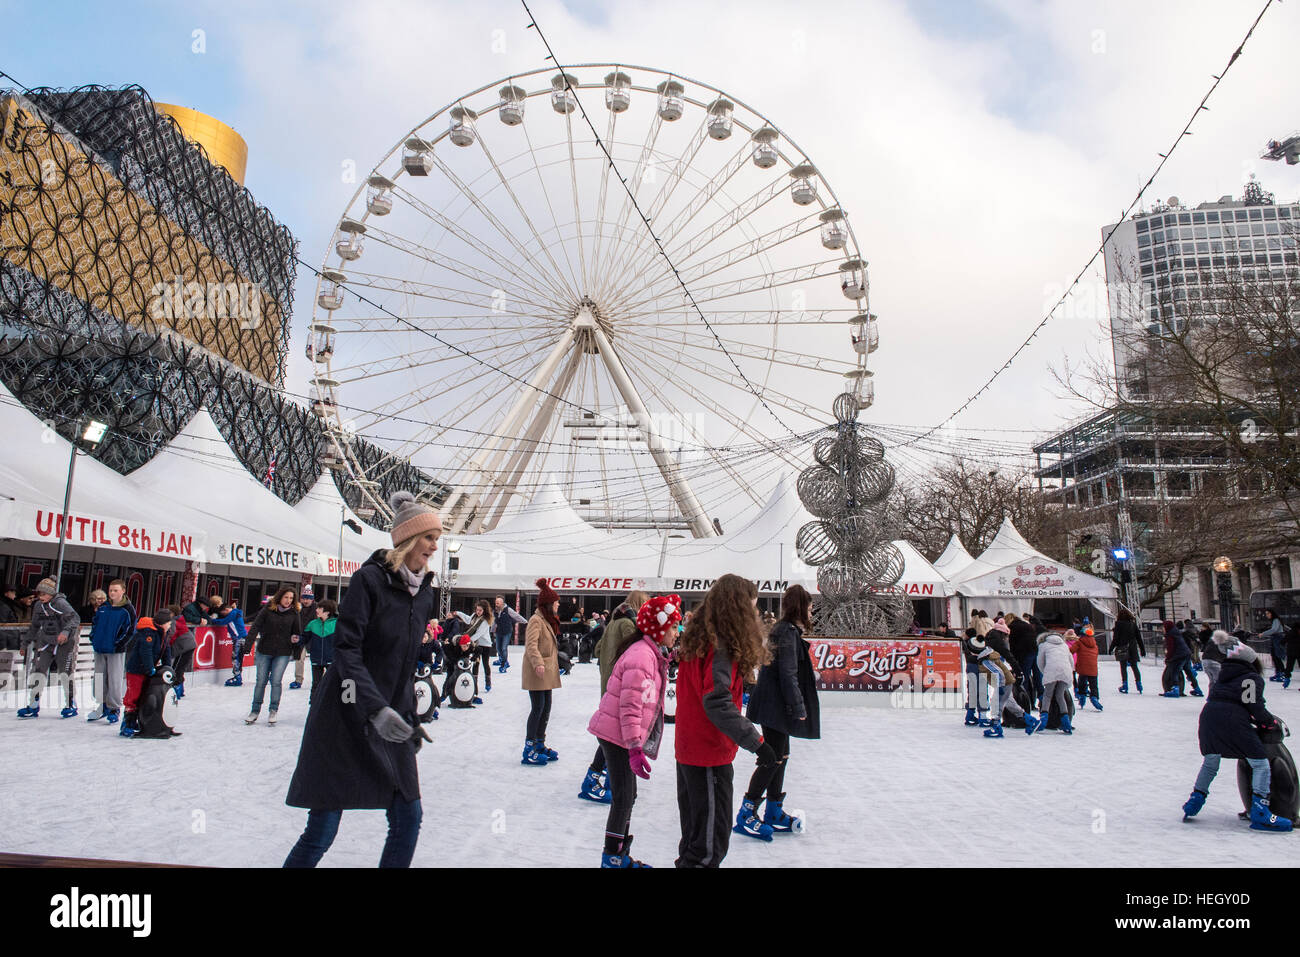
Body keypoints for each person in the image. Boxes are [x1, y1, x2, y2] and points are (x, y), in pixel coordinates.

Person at [284, 490, 440, 867]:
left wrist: (408, 717)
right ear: (406, 539)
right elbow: (347, 651)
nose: (435, 547)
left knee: (408, 817)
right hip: (346, 714)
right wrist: (375, 709)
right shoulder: (369, 581)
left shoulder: (424, 593)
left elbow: (401, 665)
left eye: (437, 538)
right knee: (322, 829)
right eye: (429, 538)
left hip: (392, 715)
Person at [673, 574, 771, 868]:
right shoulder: (719, 646)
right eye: (751, 608)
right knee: (707, 848)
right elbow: (717, 701)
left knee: (696, 841)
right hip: (707, 755)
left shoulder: (701, 638)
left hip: (693, 750)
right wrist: (756, 742)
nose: (754, 615)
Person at [587, 594, 680, 867]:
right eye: (673, 627)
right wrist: (635, 747)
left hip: (619, 734)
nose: (677, 632)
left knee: (629, 796)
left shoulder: (650, 652)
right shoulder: (641, 656)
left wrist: (672, 656)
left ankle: (618, 854)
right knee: (623, 798)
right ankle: (613, 857)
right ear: (658, 629)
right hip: (617, 736)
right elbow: (629, 708)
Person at [1181, 642, 1292, 832]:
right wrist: (1269, 723)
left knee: (1210, 762)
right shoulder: (1250, 678)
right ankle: (1260, 812)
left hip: (1208, 718)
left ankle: (1194, 801)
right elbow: (1254, 705)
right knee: (1260, 764)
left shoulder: (1223, 676)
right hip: (1232, 721)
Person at [740, 584, 821, 835]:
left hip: (776, 705)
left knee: (781, 756)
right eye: (809, 607)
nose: (811, 613)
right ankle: (747, 811)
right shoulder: (786, 632)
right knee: (771, 758)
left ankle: (773, 809)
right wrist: (798, 705)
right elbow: (788, 673)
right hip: (773, 706)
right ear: (800, 608)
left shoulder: (789, 631)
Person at [581, 590, 648, 802]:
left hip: (609, 681)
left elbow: (599, 649)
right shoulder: (629, 624)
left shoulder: (612, 622)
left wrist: (607, 666)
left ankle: (595, 778)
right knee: (617, 737)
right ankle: (610, 782)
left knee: (610, 735)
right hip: (622, 684)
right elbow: (634, 652)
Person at [17, 578, 81, 719]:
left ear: (51, 593)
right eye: (40, 594)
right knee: (39, 670)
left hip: (64, 644)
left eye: (44, 594)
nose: (41, 597)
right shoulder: (39, 606)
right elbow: (34, 626)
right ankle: (33, 704)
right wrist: (25, 644)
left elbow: (75, 619)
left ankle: (71, 703)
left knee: (65, 672)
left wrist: (65, 632)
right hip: (46, 643)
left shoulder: (61, 603)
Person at [244, 587, 303, 726]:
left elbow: (297, 633)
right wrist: (248, 645)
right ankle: (255, 710)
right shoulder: (268, 609)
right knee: (261, 681)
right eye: (286, 597)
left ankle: (273, 710)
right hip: (265, 649)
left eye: (291, 598)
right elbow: (255, 626)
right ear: (280, 597)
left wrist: (297, 651)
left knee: (276, 681)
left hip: (283, 652)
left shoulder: (295, 613)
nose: (288, 601)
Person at [522, 578, 563, 766]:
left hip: (547, 671)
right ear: (548, 604)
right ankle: (529, 748)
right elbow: (531, 645)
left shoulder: (547, 620)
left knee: (546, 708)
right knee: (538, 708)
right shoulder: (536, 620)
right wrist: (538, 663)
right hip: (538, 671)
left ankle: (539, 743)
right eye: (556, 602)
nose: (558, 605)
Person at [119, 608, 174, 738]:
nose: (171, 625)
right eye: (169, 623)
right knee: (134, 696)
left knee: (144, 696)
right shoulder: (148, 633)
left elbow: (166, 651)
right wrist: (150, 668)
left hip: (147, 670)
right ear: (163, 623)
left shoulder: (163, 633)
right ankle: (127, 724)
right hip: (137, 670)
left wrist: (168, 669)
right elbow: (146, 652)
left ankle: (136, 721)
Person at [87, 579, 136, 724]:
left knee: (114, 678)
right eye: (110, 590)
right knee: (99, 676)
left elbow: (130, 629)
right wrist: (93, 637)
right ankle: (101, 705)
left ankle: (114, 707)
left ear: (123, 591)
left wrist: (118, 643)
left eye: (115, 590)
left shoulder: (127, 609)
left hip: (115, 649)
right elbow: (95, 623)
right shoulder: (104, 607)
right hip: (100, 647)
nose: (112, 593)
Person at [1030, 629, 1077, 734]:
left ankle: (1043, 721)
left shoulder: (1043, 645)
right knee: (1060, 695)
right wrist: (1070, 671)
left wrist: (1044, 672)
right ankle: (1066, 723)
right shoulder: (1064, 645)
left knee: (1047, 695)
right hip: (1066, 671)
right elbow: (1071, 661)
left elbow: (1040, 662)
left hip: (1051, 671)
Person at [456, 599, 495, 698]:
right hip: (476, 644)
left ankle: (488, 681)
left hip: (485, 644)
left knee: (485, 663)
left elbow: (479, 633)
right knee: (475, 663)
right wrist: (459, 613)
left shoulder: (485, 620)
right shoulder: (474, 616)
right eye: (477, 610)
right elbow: (468, 619)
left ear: (484, 611)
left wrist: (467, 640)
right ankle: (474, 682)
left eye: (480, 610)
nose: (478, 612)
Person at [303, 599, 338, 705]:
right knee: (316, 684)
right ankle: (314, 705)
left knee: (332, 683)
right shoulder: (313, 624)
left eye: (319, 608)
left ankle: (332, 705)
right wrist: (297, 640)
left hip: (331, 659)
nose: (316, 610)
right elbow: (305, 638)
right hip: (316, 659)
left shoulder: (337, 624)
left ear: (327, 611)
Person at [209, 600, 248, 686]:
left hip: (239, 638)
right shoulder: (235, 613)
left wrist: (212, 620)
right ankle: (238, 676)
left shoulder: (233, 614)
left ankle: (237, 677)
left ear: (226, 610)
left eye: (223, 613)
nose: (223, 615)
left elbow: (223, 621)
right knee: (238, 658)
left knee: (236, 658)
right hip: (241, 638)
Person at [1007, 611, 1042, 705]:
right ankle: (1042, 698)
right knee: (1038, 676)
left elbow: (1013, 645)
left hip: (1024, 654)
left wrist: (1014, 660)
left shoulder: (1012, 627)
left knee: (1024, 676)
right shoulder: (1026, 625)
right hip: (1035, 650)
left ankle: (1025, 700)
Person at [166, 603, 197, 699]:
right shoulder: (179, 619)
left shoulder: (173, 621)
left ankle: (177, 689)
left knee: (177, 668)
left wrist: (166, 644)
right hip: (187, 645)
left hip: (185, 647)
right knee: (179, 667)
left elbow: (172, 634)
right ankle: (180, 688)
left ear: (172, 613)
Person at [1068, 625, 1102, 711]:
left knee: (1081, 684)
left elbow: (1071, 651)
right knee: (1094, 686)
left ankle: (1082, 698)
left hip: (1083, 668)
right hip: (1093, 668)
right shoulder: (1095, 645)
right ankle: (1094, 697)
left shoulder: (1079, 642)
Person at [1112, 608, 1144, 694]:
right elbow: (1139, 638)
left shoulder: (1118, 624)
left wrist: (1111, 648)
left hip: (1122, 648)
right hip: (1132, 648)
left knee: (1123, 667)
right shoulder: (1133, 624)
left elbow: (1116, 638)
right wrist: (1142, 649)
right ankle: (1139, 683)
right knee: (1134, 666)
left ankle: (1125, 685)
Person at [290, 587, 316, 690]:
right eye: (304, 598)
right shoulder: (298, 609)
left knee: (316, 660)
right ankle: (298, 679)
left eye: (308, 598)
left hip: (314, 637)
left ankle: (319, 680)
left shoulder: (317, 608)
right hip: (301, 637)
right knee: (299, 659)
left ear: (312, 599)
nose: (306, 601)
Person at [492, 595, 526, 674]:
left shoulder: (508, 610)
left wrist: (525, 621)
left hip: (507, 631)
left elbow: (516, 616)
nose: (496, 604)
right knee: (498, 648)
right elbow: (494, 621)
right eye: (496, 603)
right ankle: (502, 659)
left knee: (504, 648)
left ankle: (504, 665)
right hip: (499, 631)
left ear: (502, 603)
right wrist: (492, 630)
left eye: (498, 603)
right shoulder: (495, 611)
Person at [1161, 619, 1192, 698]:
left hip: (1179, 656)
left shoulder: (1170, 635)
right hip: (1183, 654)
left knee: (1174, 672)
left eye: (1163, 627)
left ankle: (1175, 690)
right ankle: (1194, 687)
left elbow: (1171, 648)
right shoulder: (1175, 633)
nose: (1162, 629)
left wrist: (1168, 658)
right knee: (1183, 671)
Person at [1261, 610, 1287, 682]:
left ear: (1272, 613)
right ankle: (1278, 672)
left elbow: (1274, 629)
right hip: (1275, 638)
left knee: (1277, 656)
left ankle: (1282, 673)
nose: (1267, 615)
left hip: (1277, 638)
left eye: (1268, 613)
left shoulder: (1276, 620)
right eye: (1266, 614)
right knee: (1274, 656)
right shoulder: (1274, 620)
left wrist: (1263, 634)